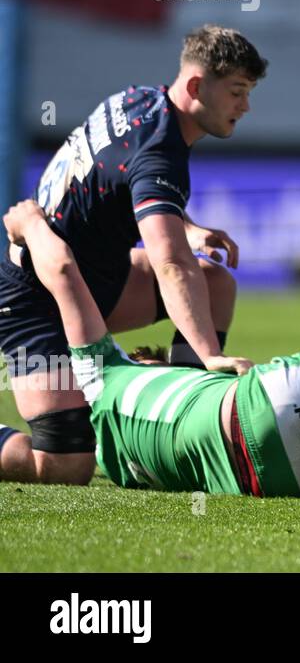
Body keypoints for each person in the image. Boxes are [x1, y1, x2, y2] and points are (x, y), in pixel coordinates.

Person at [1, 200, 300, 499]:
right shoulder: (102, 373)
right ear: (149, 364)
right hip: (257, 405)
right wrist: (30, 223)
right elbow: (62, 268)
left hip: (270, 478)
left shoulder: (119, 467)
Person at [0, 26, 264, 486]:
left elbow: (123, 183)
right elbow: (170, 263)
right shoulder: (161, 150)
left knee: (215, 283)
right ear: (196, 86)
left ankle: (180, 422)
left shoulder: (140, 100)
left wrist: (187, 227)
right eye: (237, 91)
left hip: (98, 283)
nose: (245, 106)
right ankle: (193, 384)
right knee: (63, 465)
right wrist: (210, 354)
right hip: (34, 299)